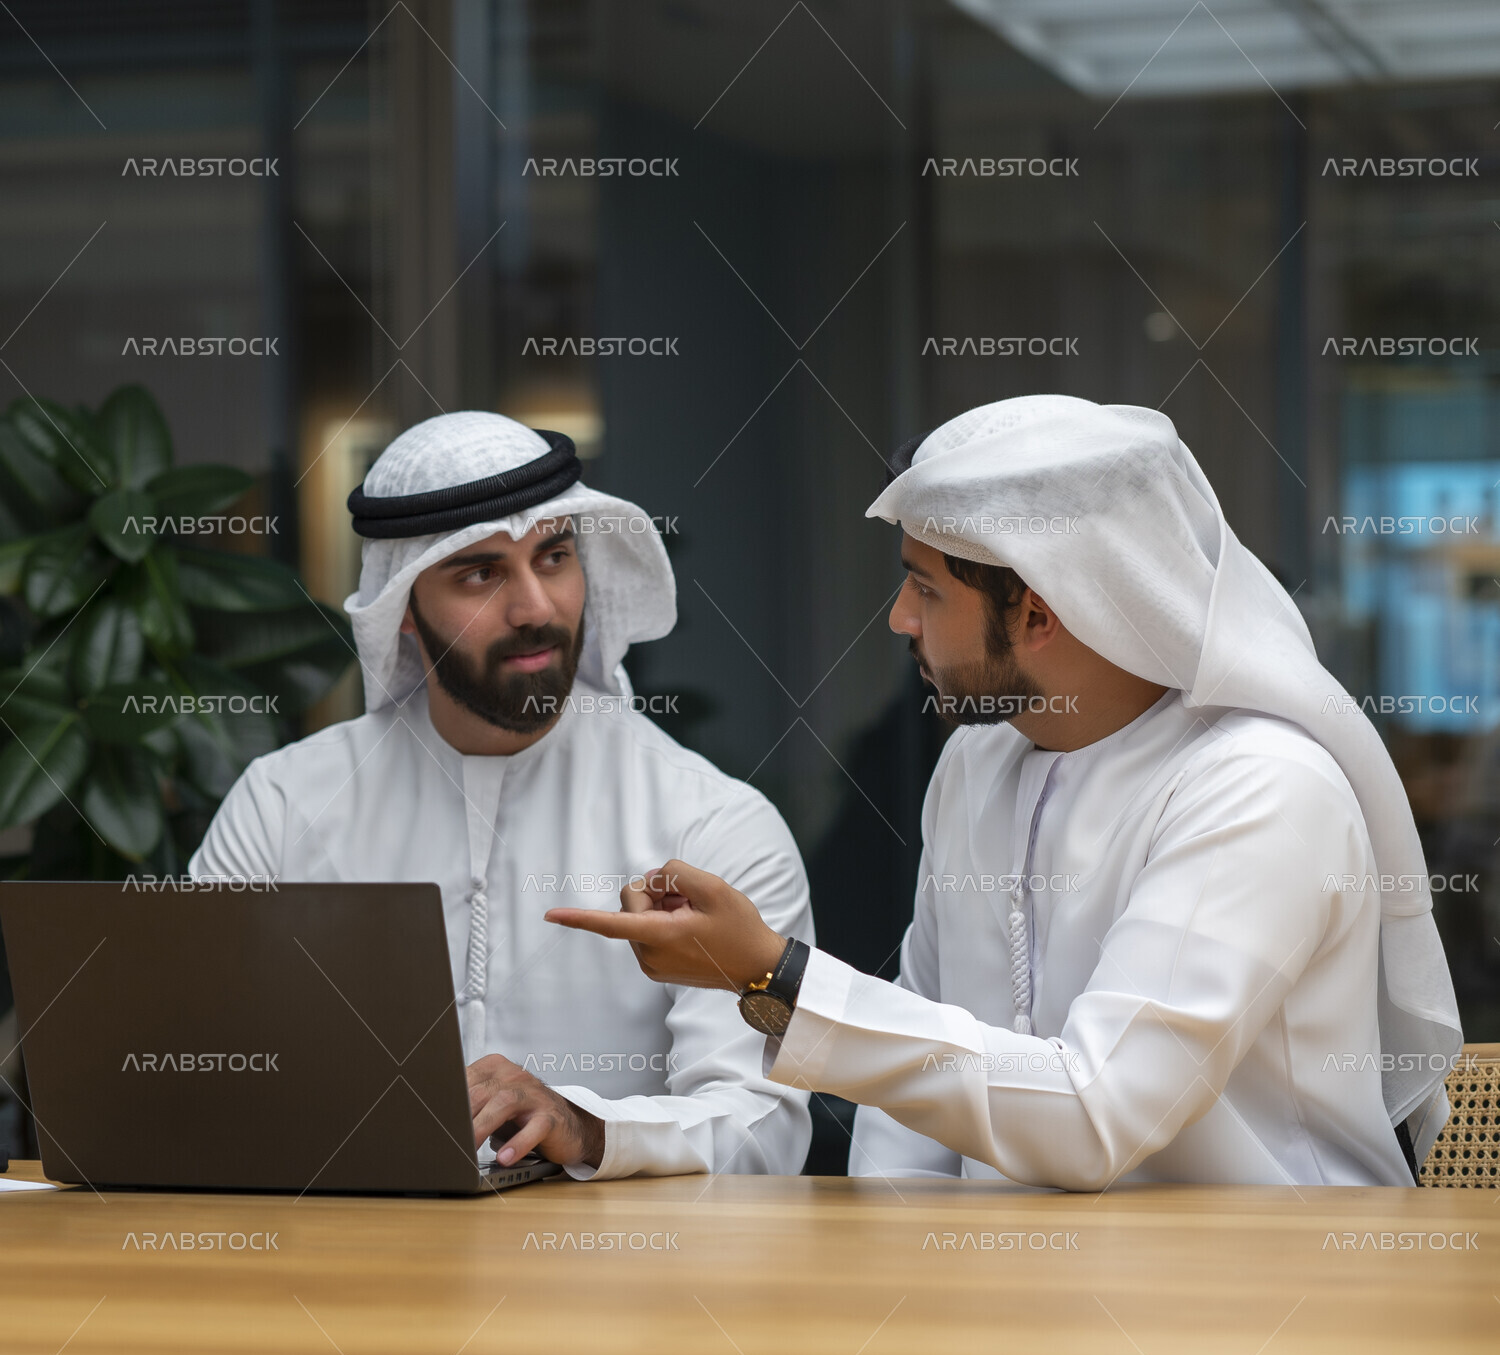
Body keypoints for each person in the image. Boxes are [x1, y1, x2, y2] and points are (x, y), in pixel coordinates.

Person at [547, 395, 1463, 1190]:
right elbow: (913, 1103)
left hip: (1275, 1310)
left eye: (923, 588)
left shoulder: (1258, 788)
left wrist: (774, 972)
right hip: (1020, 1299)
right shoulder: (977, 764)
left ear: (1037, 610)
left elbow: (1096, 1112)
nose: (900, 619)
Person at [189, 411, 813, 1180]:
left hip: (619, 1283)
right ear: (405, 613)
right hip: (347, 1276)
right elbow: (195, 1077)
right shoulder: (283, 807)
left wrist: (588, 1128)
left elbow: (761, 1131)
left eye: (553, 557)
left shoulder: (709, 822)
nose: (535, 608)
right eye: (481, 573)